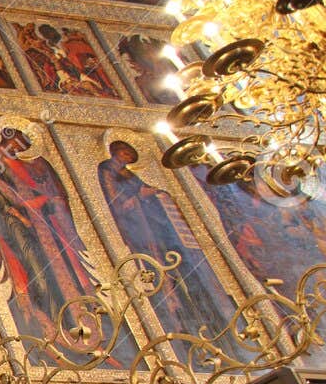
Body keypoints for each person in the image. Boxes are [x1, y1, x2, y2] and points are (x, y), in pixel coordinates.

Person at [0, 124, 99, 341]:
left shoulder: (17, 165)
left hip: (37, 224)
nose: (19, 147)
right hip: (13, 222)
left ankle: (70, 320)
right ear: (5, 135)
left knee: (54, 268)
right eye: (17, 141)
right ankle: (46, 319)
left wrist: (46, 201)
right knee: (34, 265)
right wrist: (20, 213)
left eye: (23, 146)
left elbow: (35, 193)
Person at [98, 140, 232, 334]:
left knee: (177, 266)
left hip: (154, 223)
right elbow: (116, 202)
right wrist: (137, 197)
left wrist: (153, 193)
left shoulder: (130, 174)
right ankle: (172, 318)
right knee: (155, 268)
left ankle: (201, 318)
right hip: (137, 227)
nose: (126, 158)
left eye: (129, 155)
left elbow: (143, 189)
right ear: (114, 152)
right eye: (123, 154)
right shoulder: (107, 171)